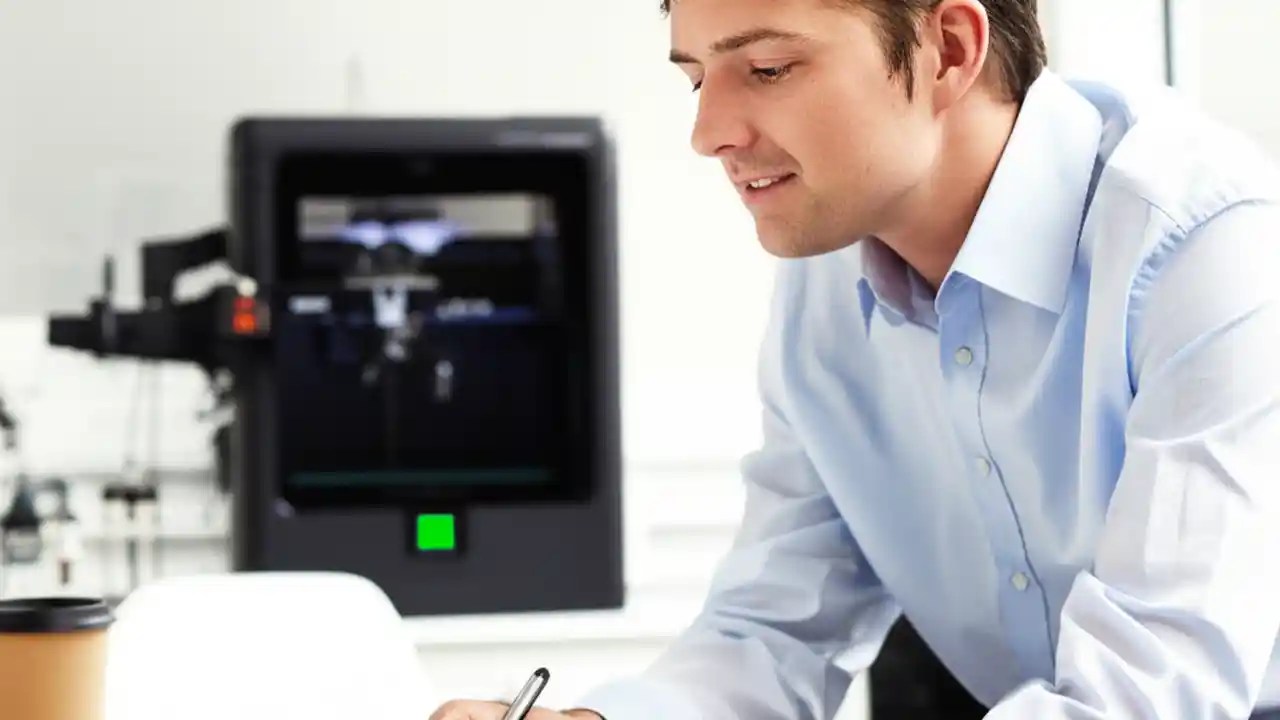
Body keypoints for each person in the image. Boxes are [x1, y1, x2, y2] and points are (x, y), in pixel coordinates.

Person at [430, 0, 1280, 717]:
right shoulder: (831, 281)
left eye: (766, 70)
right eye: (695, 78)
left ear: (949, 48)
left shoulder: (1206, 243)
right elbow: (775, 628)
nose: (707, 133)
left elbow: (1156, 685)